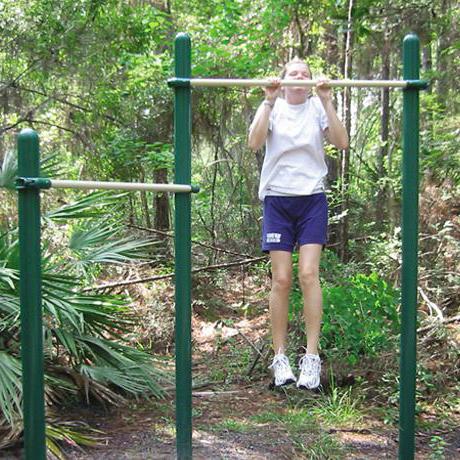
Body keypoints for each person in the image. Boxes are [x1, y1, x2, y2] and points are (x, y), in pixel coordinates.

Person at [248, 58, 349, 389]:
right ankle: (280, 358)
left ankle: (311, 358)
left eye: (305, 75)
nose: (300, 78)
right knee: (281, 279)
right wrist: (267, 98)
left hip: (311, 199)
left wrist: (327, 100)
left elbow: (342, 142)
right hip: (278, 199)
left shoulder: (317, 107)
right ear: (283, 80)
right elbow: (254, 141)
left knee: (308, 274)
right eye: (294, 74)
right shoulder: (273, 107)